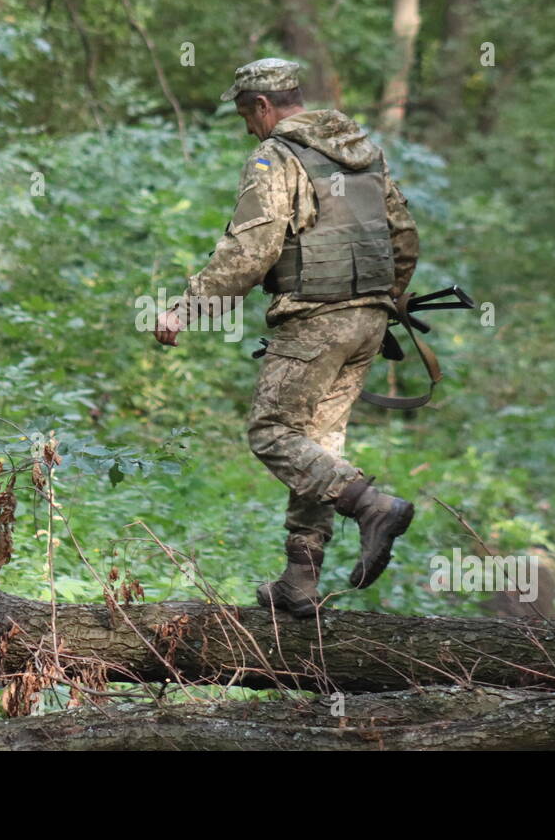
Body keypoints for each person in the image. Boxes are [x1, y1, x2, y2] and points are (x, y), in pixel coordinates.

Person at [154, 57, 422, 618]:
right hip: (368, 319)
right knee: (317, 446)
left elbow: (251, 251)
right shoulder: (362, 153)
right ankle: (300, 580)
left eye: (244, 114)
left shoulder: (274, 156)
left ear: (262, 106)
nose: (247, 126)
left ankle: (371, 506)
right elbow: (403, 235)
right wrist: (385, 296)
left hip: (316, 317)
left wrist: (186, 308)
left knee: (273, 431)